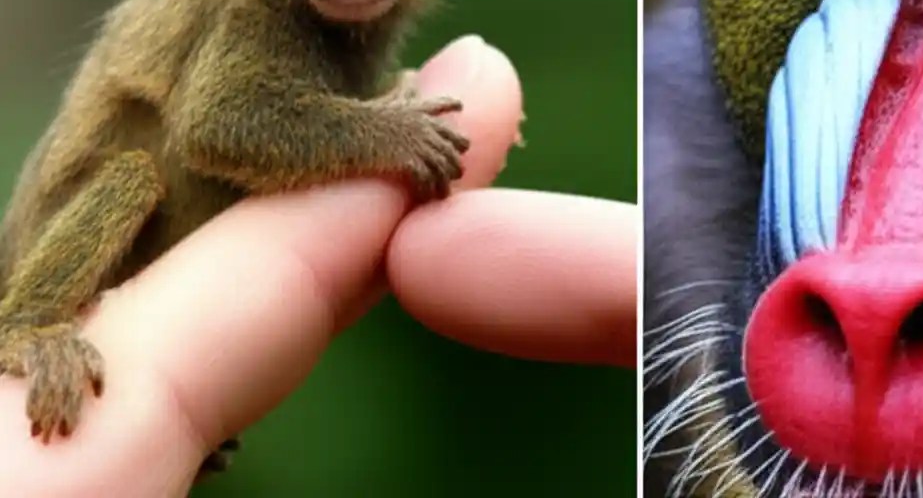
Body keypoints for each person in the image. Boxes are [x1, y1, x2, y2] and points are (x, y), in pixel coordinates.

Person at [0, 36, 637, 495]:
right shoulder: (244, 8)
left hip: (167, 262)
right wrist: (384, 131)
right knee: (133, 179)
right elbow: (217, 128)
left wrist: (377, 117)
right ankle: (27, 323)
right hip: (81, 224)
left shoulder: (345, 40)